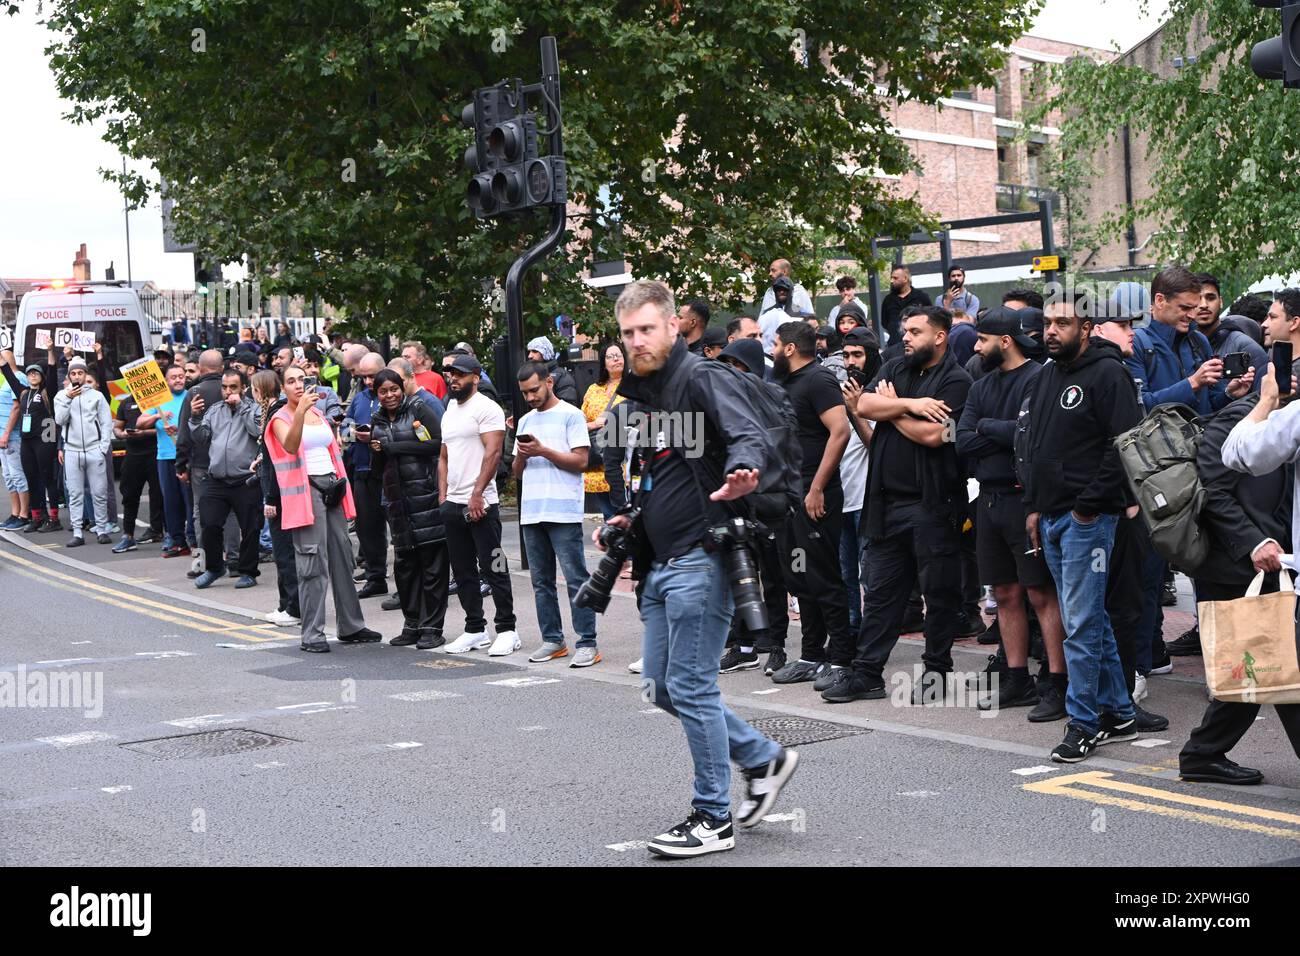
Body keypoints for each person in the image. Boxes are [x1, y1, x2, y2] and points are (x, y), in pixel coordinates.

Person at [606, 279, 798, 858]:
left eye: (647, 328)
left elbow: (746, 436)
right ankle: (763, 757)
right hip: (661, 562)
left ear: (672, 327)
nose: (637, 340)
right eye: (628, 332)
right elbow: (666, 474)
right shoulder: (646, 396)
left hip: (703, 558)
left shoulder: (702, 377)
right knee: (663, 686)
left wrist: (742, 471)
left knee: (690, 685)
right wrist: (630, 523)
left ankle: (712, 817)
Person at [825, 306, 971, 705]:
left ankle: (937, 671)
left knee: (938, 594)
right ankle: (867, 674)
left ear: (940, 336)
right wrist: (912, 404)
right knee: (882, 594)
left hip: (932, 505)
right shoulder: (897, 367)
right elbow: (863, 407)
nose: (905, 337)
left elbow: (933, 436)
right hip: (886, 505)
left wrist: (896, 409)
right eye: (905, 330)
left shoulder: (958, 380)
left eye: (915, 331)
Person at [1025, 291, 1142, 763]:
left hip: (1087, 520)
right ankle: (1119, 712)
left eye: (1062, 323)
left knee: (1081, 625)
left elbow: (1125, 446)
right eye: (1048, 322)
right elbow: (1034, 442)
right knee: (1090, 621)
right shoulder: (1049, 373)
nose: (1051, 330)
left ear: (1086, 327)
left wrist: (1088, 508)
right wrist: (1034, 506)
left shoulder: (1108, 373)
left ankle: (1084, 722)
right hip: (1052, 515)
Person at [1205, 290, 1300, 783]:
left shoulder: (1282, 403)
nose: (1267, 324)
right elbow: (1217, 477)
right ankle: (1201, 755)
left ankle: (1200, 754)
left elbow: (1242, 454)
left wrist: (1265, 404)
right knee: (1267, 660)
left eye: (1276, 317)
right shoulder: (1271, 403)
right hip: (1258, 556)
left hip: (1280, 556)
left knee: (1272, 663)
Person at [955, 306, 1068, 717]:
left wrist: (987, 427)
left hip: (1026, 500)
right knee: (1004, 592)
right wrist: (998, 430)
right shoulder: (980, 385)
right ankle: (1017, 678)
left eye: (982, 339)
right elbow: (962, 439)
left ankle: (1058, 682)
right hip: (988, 500)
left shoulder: (1040, 377)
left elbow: (1032, 435)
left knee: (1041, 592)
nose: (977, 346)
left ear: (1005, 341)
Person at [266, 364, 380, 651]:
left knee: (343, 557)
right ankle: (312, 634)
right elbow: (291, 447)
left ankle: (351, 626)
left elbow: (332, 448)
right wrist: (300, 412)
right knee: (312, 564)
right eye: (290, 381)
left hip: (332, 488)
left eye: (301, 380)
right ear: (282, 388)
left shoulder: (318, 413)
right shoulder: (279, 418)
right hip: (306, 494)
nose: (297, 385)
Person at [766, 322, 852, 690]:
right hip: (787, 499)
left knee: (824, 577)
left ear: (789, 348)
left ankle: (842, 658)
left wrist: (816, 488)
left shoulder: (819, 381)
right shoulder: (782, 384)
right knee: (799, 579)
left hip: (816, 498)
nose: (770, 350)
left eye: (774, 344)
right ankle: (812, 655)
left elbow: (841, 430)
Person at [512, 361, 600, 666]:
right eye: (525, 393)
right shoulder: (524, 422)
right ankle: (553, 640)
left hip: (563, 509)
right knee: (541, 582)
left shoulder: (572, 415)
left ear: (549, 381)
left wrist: (543, 451)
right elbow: (517, 474)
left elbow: (581, 462)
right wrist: (523, 456)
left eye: (534, 389)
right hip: (532, 510)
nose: (530, 397)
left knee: (576, 577)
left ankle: (587, 642)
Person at [439, 353, 520, 656]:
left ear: (475, 376)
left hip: (482, 503)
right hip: (453, 503)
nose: (453, 379)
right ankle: (475, 629)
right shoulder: (449, 409)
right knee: (462, 571)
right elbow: (444, 455)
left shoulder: (487, 408)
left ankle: (508, 629)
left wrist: (477, 494)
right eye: (450, 374)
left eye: (459, 374)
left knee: (494, 566)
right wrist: (442, 495)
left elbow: (494, 453)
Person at [368, 369, 448, 649]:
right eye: (383, 391)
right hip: (397, 504)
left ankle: (432, 628)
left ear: (402, 388)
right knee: (405, 568)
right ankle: (411, 624)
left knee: (433, 567)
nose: (389, 395)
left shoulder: (419, 409)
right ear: (376, 394)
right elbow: (377, 469)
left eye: (394, 389)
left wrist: (393, 446)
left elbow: (437, 445)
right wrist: (377, 451)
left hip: (425, 497)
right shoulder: (376, 421)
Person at [189, 368, 262, 589]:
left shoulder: (254, 409)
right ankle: (214, 567)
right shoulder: (214, 410)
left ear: (244, 388)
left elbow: (257, 431)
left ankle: (248, 571)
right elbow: (201, 438)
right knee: (209, 523)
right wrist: (194, 417)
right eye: (224, 387)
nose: (228, 391)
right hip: (217, 478)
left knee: (250, 527)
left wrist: (240, 406)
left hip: (245, 478)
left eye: (233, 387)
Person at [251, 370, 300, 627]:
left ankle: (293, 607)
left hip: (280, 493)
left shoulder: (275, 414)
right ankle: (286, 604)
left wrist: (270, 498)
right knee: (285, 552)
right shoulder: (276, 413)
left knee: (285, 552)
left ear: (259, 390)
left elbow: (277, 461)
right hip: (281, 490)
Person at [53, 357, 113, 547]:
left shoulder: (97, 396)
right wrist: (68, 398)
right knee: (75, 493)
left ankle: (102, 529)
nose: (77, 376)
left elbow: (106, 423)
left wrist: (103, 448)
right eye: (73, 373)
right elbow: (60, 420)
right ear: (69, 375)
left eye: (80, 373)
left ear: (85, 374)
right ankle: (77, 532)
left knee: (99, 492)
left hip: (94, 449)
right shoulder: (61, 396)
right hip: (72, 450)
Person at [344, 352, 389, 599]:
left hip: (387, 471)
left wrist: (375, 434)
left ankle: (408, 582)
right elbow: (347, 421)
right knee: (367, 528)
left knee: (395, 527)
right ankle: (375, 577)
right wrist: (350, 431)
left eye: (373, 376)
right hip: (362, 468)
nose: (369, 382)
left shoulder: (392, 395)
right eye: (365, 377)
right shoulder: (360, 397)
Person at [0, 352, 60, 532]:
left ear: (42, 377)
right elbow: (7, 373)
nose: (33, 375)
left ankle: (54, 519)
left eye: (36, 373)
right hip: (27, 440)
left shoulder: (46, 391)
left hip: (44, 438)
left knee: (48, 477)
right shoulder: (23, 392)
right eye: (30, 373)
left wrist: (50, 351)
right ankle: (37, 516)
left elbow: (53, 371)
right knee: (32, 477)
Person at [109, 388, 164, 552]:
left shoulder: (157, 401)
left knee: (158, 494)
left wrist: (144, 432)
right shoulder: (125, 403)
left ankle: (158, 531)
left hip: (155, 453)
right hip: (133, 454)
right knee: (129, 494)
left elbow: (165, 428)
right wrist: (123, 434)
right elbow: (117, 428)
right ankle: (128, 536)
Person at [1193, 273, 1267, 394]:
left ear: (1221, 302)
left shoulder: (1245, 346)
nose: (1204, 305)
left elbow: (1264, 397)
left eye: (1210, 298)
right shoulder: (1184, 346)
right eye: (1197, 299)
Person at [148, 364, 194, 556]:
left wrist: (182, 430)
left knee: (190, 502)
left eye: (181, 376)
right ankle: (177, 541)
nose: (178, 380)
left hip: (187, 458)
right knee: (171, 501)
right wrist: (158, 417)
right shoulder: (159, 400)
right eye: (173, 377)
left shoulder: (191, 396)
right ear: (166, 381)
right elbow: (141, 422)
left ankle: (194, 540)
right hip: (165, 457)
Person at [580, 343, 625, 520]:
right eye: (610, 356)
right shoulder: (593, 389)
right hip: (597, 462)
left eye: (619, 355)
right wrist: (596, 424)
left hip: (622, 462)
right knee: (609, 515)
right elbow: (579, 423)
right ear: (603, 363)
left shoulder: (632, 386)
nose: (615, 359)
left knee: (624, 514)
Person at [0, 358, 29, 530]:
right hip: (3, 437)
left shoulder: (19, 377)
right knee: (9, 477)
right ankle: (15, 512)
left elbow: (16, 407)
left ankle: (24, 514)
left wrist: (6, 433)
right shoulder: (6, 378)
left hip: (13, 436)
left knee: (18, 476)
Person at [880, 265, 932, 344]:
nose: (891, 281)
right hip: (895, 345)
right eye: (891, 278)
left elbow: (930, 318)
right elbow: (885, 323)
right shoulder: (888, 300)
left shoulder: (921, 297)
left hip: (918, 344)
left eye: (895, 278)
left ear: (905, 278)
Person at [524, 337, 579, 406]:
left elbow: (568, 406)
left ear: (545, 352)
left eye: (535, 351)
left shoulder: (562, 376)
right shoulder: (532, 374)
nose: (530, 356)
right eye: (529, 351)